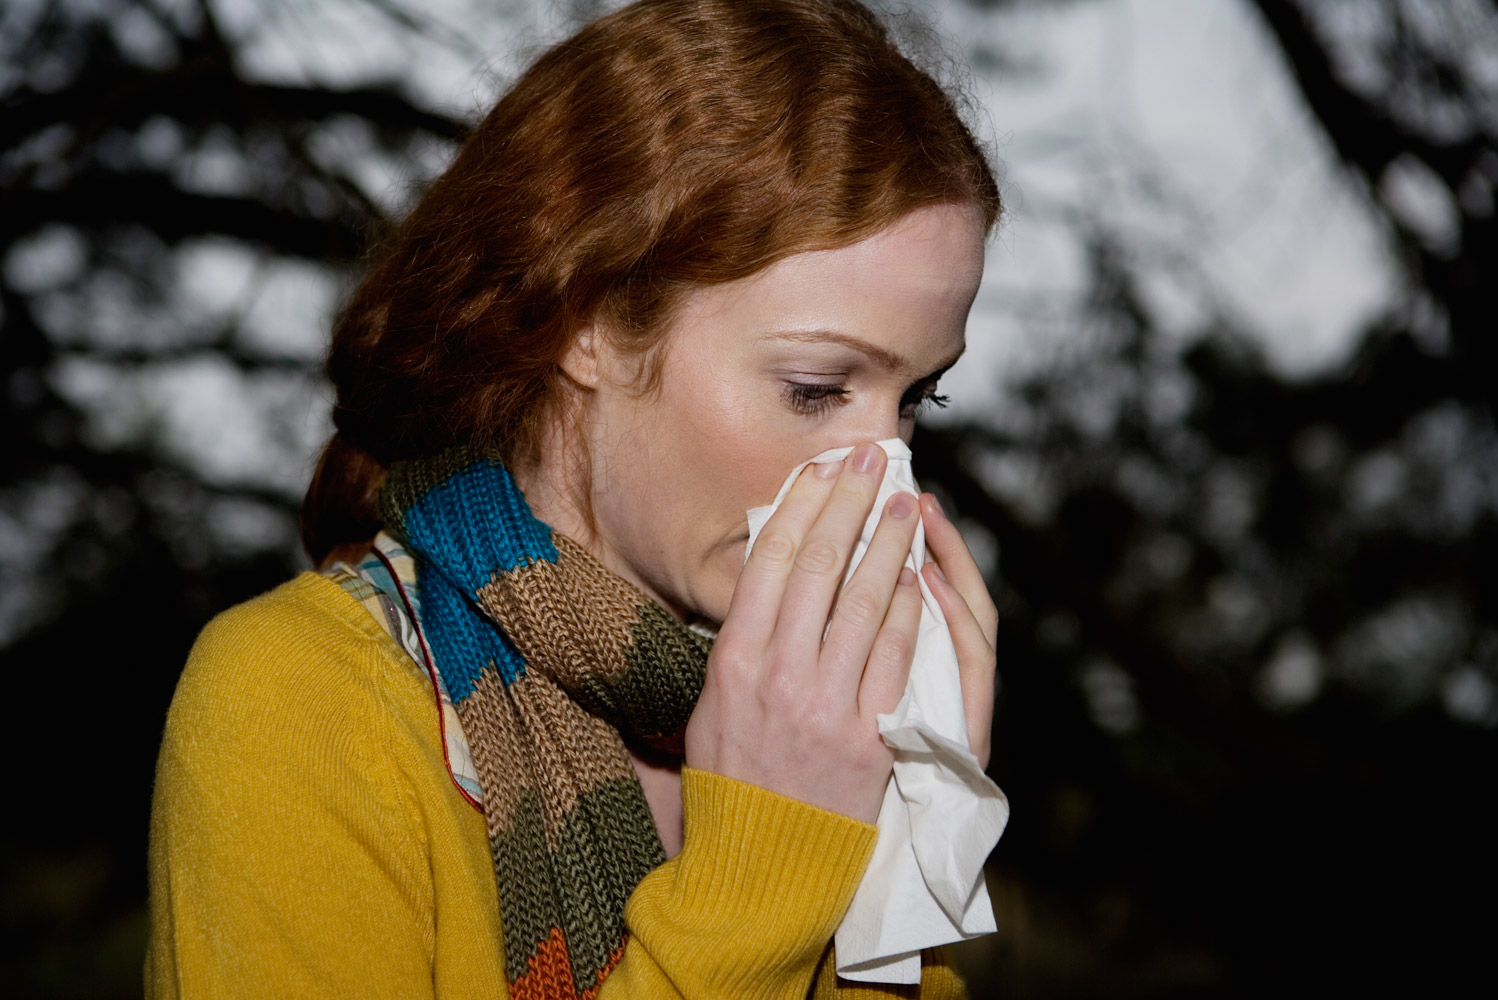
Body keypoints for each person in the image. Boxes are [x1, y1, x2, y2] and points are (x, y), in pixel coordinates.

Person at [146, 0, 1002, 997]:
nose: (881, 470)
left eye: (915, 398)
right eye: (815, 388)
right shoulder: (302, 701)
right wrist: (765, 876)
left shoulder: (836, 738)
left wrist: (891, 860)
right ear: (584, 324)